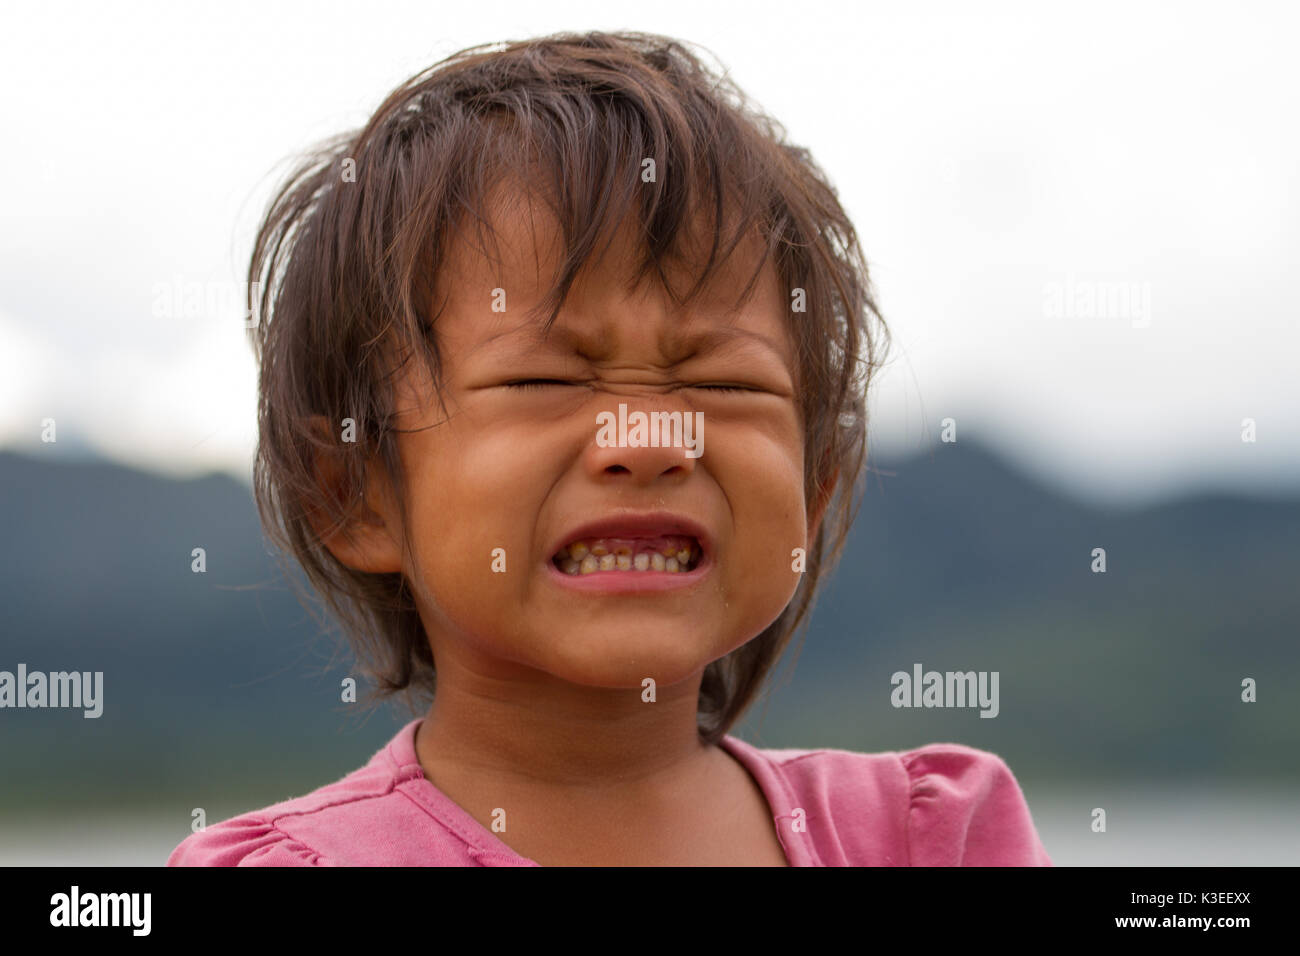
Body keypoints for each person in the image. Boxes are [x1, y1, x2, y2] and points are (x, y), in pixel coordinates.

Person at [168, 30, 1051, 866]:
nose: (649, 440)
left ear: (812, 492)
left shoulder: (930, 838)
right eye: (544, 380)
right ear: (355, 495)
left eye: (727, 385)